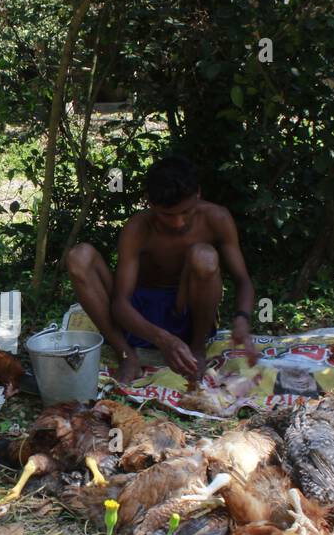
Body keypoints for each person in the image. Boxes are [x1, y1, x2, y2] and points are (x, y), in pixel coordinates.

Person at [66, 154, 257, 384]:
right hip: (139, 318)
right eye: (167, 215)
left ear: (198, 194)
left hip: (187, 312)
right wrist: (162, 339)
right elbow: (120, 303)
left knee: (204, 256)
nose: (179, 223)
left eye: (186, 212)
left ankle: (196, 349)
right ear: (150, 203)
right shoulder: (137, 228)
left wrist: (242, 319)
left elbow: (243, 280)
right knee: (79, 256)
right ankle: (126, 355)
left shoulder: (217, 218)